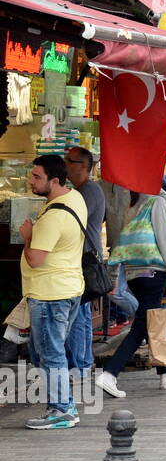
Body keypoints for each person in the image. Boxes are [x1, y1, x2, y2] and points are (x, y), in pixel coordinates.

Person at [97, 178, 166, 404]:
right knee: (141, 327)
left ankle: (165, 374)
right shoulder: (155, 202)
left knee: (149, 323)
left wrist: (116, 275)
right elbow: (165, 241)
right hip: (154, 271)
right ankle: (109, 374)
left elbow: (121, 242)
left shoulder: (132, 205)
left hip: (135, 274)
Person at [20, 155, 90, 429]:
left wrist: (28, 236)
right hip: (66, 288)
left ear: (55, 181)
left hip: (51, 294)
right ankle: (62, 404)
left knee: (50, 353)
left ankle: (62, 409)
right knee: (47, 352)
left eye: (37, 177)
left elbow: (36, 258)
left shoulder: (54, 216)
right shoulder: (75, 199)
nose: (30, 180)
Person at [63, 146, 103, 380]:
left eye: (69, 161)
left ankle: (79, 365)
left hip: (84, 258)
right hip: (85, 256)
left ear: (83, 166)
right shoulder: (84, 190)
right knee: (82, 312)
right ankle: (84, 362)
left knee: (78, 312)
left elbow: (72, 222)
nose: (65, 164)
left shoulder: (87, 191)